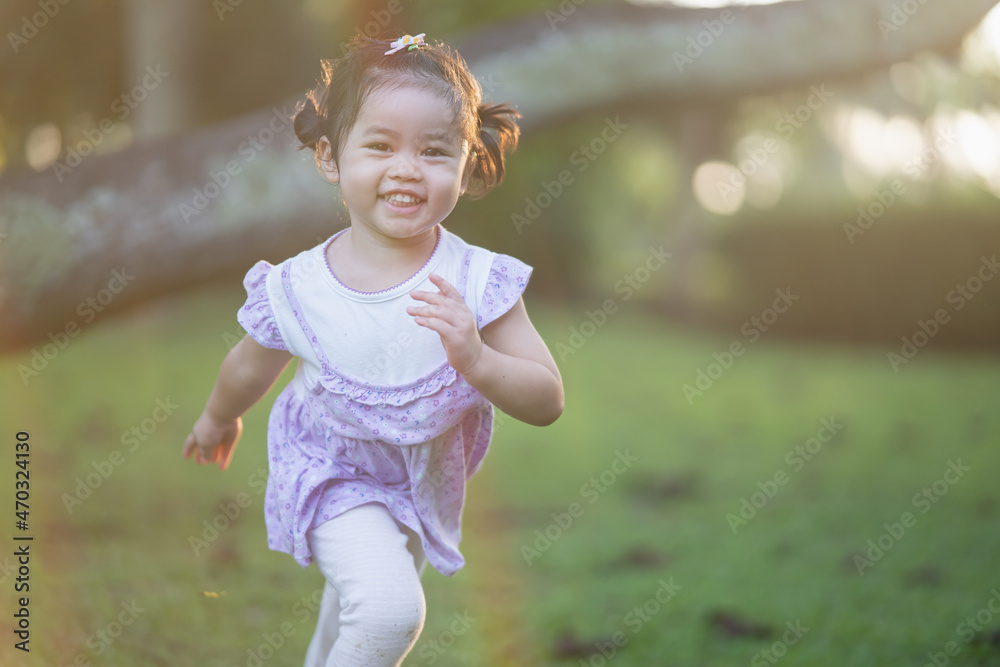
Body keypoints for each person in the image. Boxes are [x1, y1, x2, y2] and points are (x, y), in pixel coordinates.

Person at [182, 32, 564, 667]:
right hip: (329, 471)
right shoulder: (300, 286)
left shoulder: (478, 281)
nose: (407, 167)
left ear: (467, 165)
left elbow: (547, 398)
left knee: (355, 609)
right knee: (389, 611)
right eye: (381, 145)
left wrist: (477, 359)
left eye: (435, 150)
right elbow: (251, 362)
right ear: (332, 157)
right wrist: (219, 415)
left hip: (419, 484)